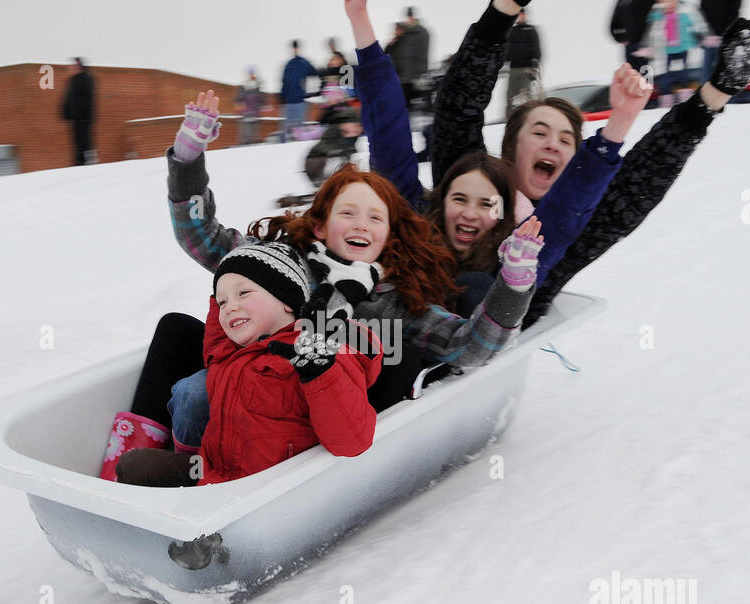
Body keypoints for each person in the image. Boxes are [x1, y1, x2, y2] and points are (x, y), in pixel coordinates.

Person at [137, 91, 546, 456]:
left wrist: (514, 283)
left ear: (388, 235)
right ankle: (135, 459)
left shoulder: (391, 305)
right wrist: (188, 162)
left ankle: (189, 475)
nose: (360, 225)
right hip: (237, 386)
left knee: (196, 392)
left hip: (292, 421)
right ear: (319, 226)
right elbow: (200, 236)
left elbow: (472, 347)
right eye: (347, 213)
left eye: (374, 217)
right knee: (177, 333)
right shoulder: (280, 263)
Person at [425, 0, 750, 330]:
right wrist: (510, 0)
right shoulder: (470, 187)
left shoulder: (572, 232)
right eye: (539, 132)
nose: (553, 143)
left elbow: (641, 182)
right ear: (509, 149)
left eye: (567, 140)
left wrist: (715, 92)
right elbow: (457, 109)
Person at [338, 0, 645, 316]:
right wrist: (360, 18)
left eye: (486, 205)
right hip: (363, 342)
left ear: (502, 216)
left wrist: (620, 121)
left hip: (453, 359)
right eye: (460, 198)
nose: (470, 213)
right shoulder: (415, 223)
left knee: (478, 290)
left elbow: (566, 210)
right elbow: (389, 135)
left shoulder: (517, 260)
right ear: (440, 201)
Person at [113, 240, 381, 487]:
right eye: (223, 301)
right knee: (134, 465)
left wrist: (321, 373)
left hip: (264, 489)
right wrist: (230, 288)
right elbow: (219, 330)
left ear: (286, 301)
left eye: (244, 293)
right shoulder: (230, 352)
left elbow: (352, 443)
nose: (229, 306)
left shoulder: (317, 352)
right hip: (209, 474)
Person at [645, 0, 707, 106]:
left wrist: (696, 41)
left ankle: (685, 98)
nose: (669, 4)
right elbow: (650, 19)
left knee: (683, 72)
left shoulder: (683, 16)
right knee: (666, 74)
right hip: (667, 49)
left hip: (683, 47)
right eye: (665, 1)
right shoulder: (659, 16)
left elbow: (693, 29)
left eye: (671, 1)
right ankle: (666, 99)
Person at [609, 0, 673, 72]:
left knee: (645, 76)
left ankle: (647, 87)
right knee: (632, 76)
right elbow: (615, 19)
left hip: (644, 44)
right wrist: (619, 38)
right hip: (629, 45)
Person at [699, 0, 743, 82]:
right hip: (711, 34)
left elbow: (736, 0)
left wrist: (729, 25)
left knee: (726, 68)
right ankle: (706, 100)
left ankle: (732, 100)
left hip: (726, 30)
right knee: (707, 71)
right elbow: (703, 6)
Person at [506, 9, 544, 113]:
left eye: (522, 15)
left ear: (525, 16)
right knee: (510, 95)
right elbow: (506, 49)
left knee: (526, 95)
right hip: (513, 69)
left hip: (527, 69)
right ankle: (509, 118)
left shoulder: (530, 30)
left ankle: (529, 114)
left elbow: (536, 48)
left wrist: (534, 64)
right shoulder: (511, 31)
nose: (520, 17)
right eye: (518, 15)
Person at [60, 57, 96, 166]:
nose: (72, 68)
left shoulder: (87, 79)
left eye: (75, 66)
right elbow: (68, 97)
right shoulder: (72, 80)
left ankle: (88, 161)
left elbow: (86, 99)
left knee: (85, 140)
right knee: (77, 141)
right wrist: (66, 111)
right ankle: (79, 161)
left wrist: (82, 113)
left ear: (80, 66)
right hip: (75, 117)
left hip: (84, 117)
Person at [279, 40, 318, 141]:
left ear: (299, 49)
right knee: (287, 127)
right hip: (288, 102)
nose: (295, 49)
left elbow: (315, 75)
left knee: (299, 128)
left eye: (296, 47)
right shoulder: (288, 64)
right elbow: (284, 82)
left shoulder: (304, 63)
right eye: (293, 48)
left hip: (300, 101)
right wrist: (282, 97)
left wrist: (311, 92)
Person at [235, 67, 266, 145]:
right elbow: (239, 98)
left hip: (255, 112)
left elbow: (261, 98)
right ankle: (245, 142)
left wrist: (263, 105)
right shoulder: (244, 86)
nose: (251, 75)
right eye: (250, 74)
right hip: (247, 112)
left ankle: (252, 141)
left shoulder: (257, 86)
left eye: (253, 74)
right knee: (246, 129)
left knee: (254, 128)